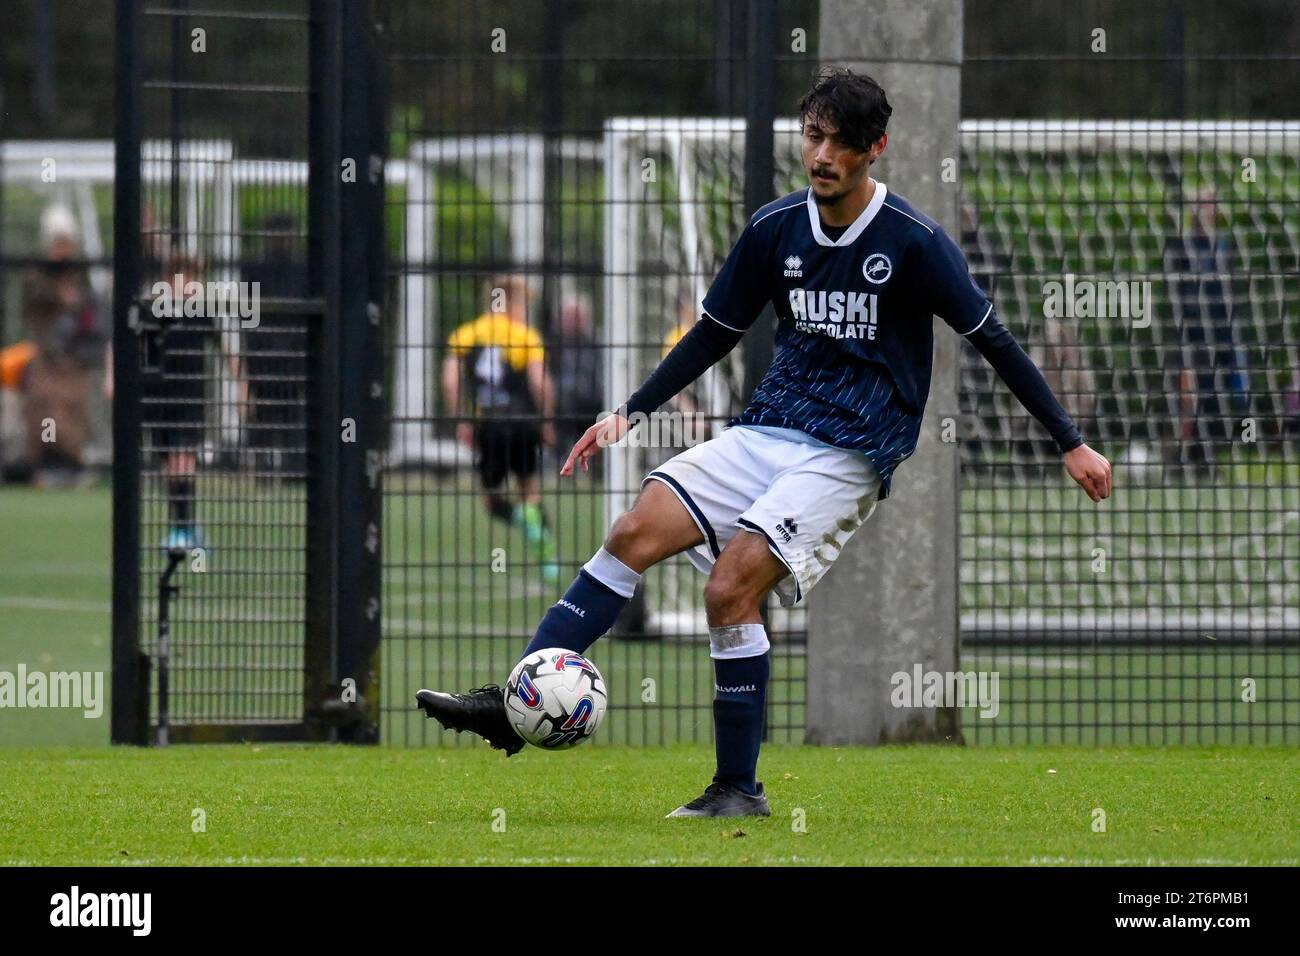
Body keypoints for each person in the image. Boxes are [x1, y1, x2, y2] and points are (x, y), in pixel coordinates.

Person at [416, 69, 1111, 818]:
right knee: (631, 530)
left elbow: (993, 339)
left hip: (849, 453)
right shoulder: (775, 228)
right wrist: (630, 410)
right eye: (813, 136)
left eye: (841, 143)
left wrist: (1070, 442)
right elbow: (715, 331)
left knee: (729, 587)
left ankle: (738, 789)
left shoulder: (914, 243)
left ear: (875, 148)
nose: (822, 155)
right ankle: (515, 706)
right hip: (767, 430)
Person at [442, 274, 560, 582]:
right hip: (522, 423)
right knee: (529, 490)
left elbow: (451, 380)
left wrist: (460, 419)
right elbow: (540, 382)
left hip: (488, 425)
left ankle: (520, 519)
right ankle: (547, 556)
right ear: (511, 302)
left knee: (491, 500)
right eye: (522, 303)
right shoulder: (525, 336)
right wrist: (547, 420)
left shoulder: (466, 334)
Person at [142, 254, 248, 551]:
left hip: (189, 397)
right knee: (169, 465)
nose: (193, 285)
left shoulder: (202, 310)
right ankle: (183, 525)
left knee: (182, 461)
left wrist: (242, 387)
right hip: (158, 397)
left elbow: (227, 350)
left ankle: (184, 529)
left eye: (195, 279)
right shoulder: (152, 307)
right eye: (187, 277)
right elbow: (126, 341)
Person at [20, 204, 106, 487]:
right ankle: (45, 464)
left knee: (72, 411)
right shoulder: (37, 275)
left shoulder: (79, 275)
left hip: (74, 359)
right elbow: (32, 301)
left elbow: (91, 313)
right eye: (58, 244)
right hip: (46, 358)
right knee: (44, 409)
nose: (63, 250)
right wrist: (59, 296)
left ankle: (71, 465)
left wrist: (74, 302)